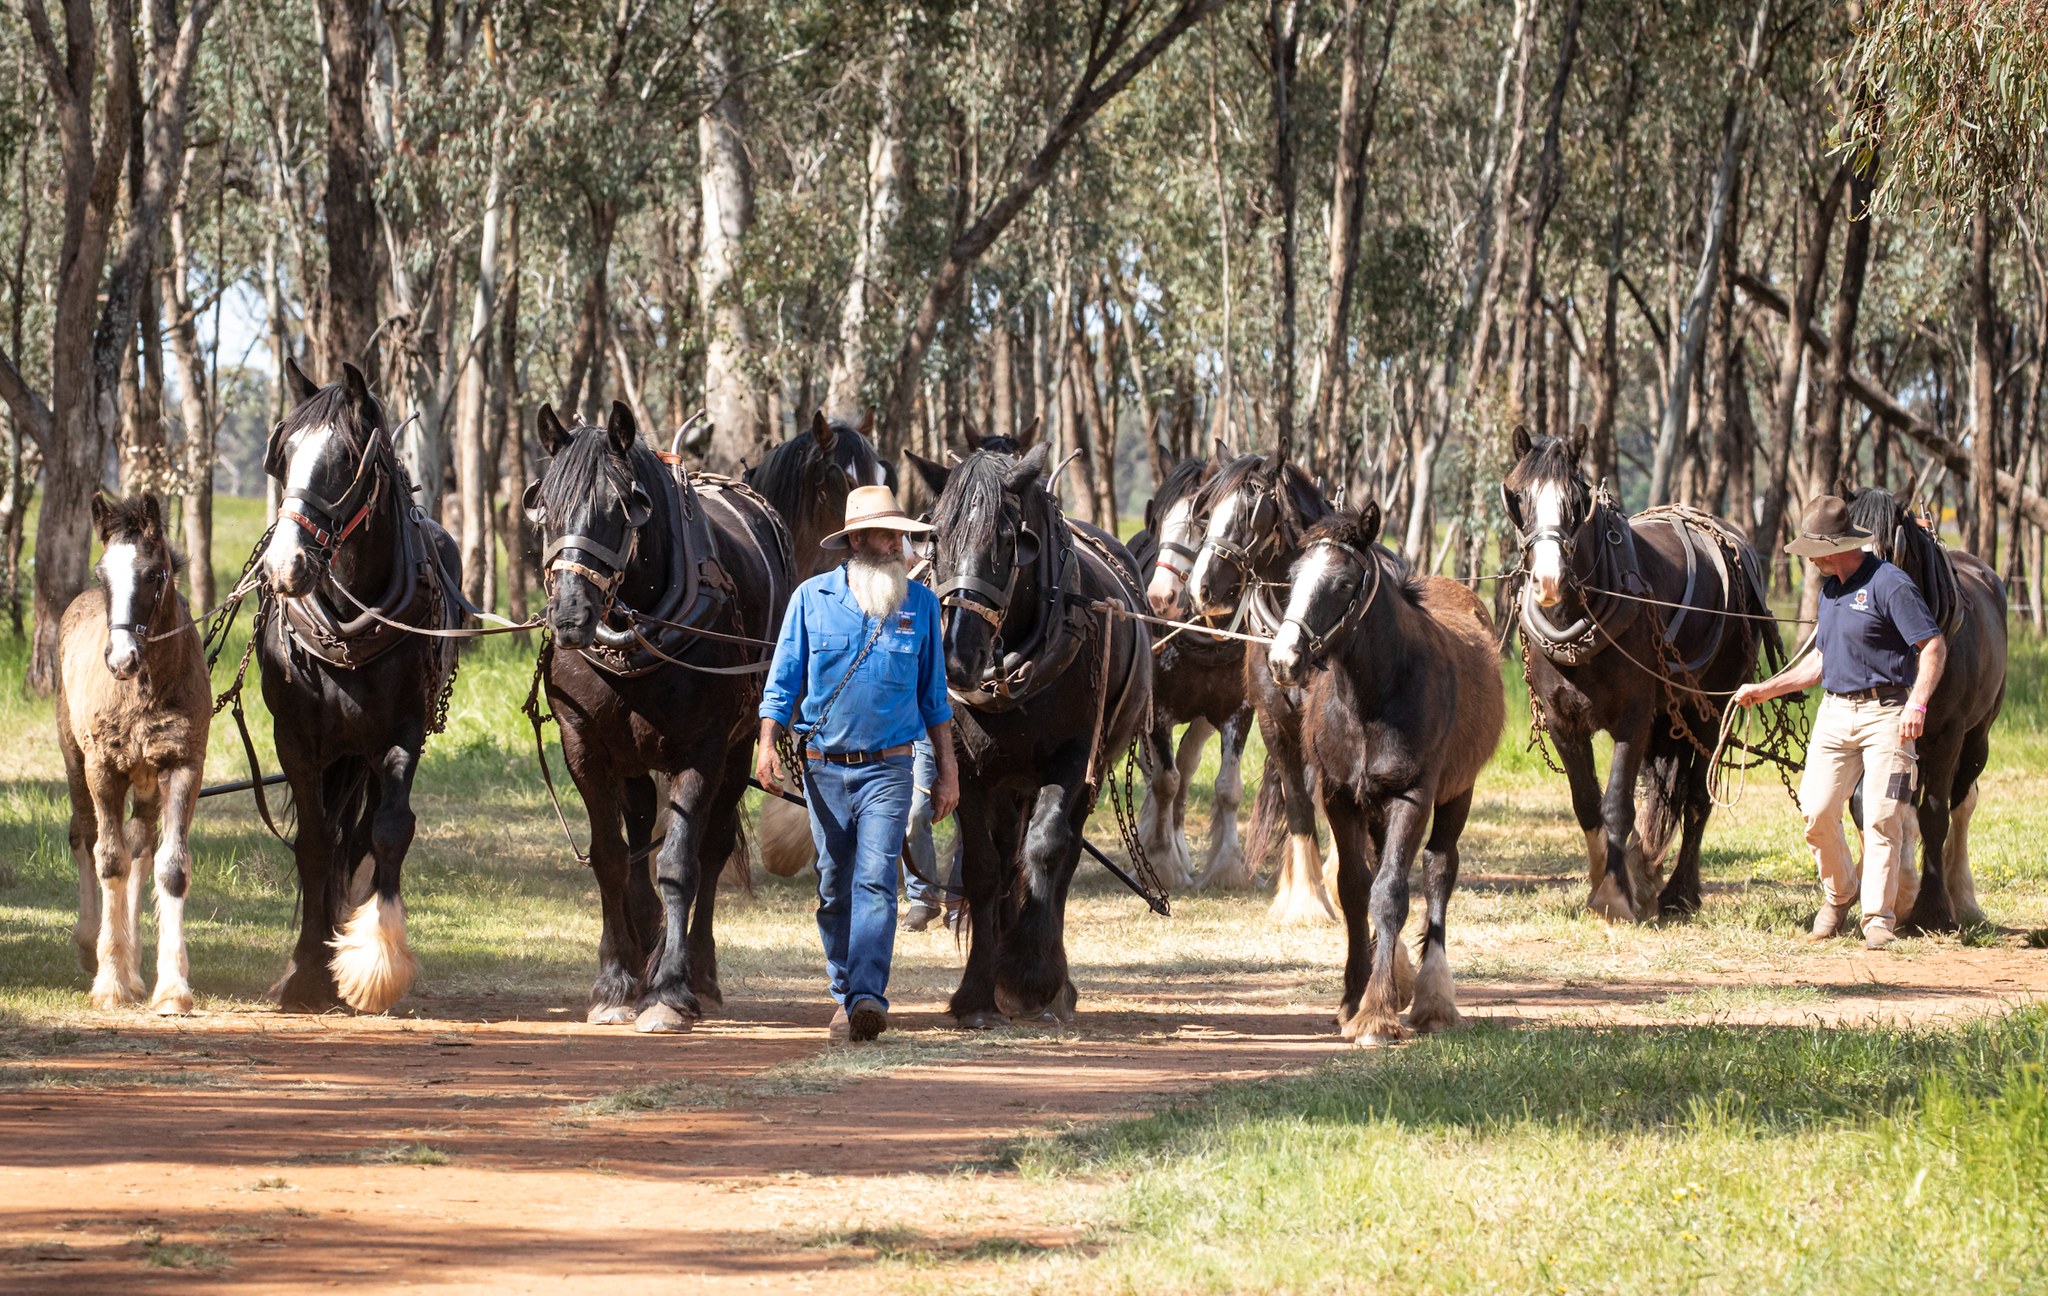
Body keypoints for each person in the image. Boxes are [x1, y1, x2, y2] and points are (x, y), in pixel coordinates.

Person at [758, 484, 959, 1041]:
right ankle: (844, 991)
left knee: (875, 880)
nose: (898, 543)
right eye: (887, 534)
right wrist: (768, 742)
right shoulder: (809, 600)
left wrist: (948, 770)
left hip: (890, 770)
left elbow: (935, 698)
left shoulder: (920, 605)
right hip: (824, 769)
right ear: (857, 541)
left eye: (901, 534)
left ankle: (869, 997)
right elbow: (782, 683)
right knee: (833, 884)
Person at [1735, 496, 1947, 950]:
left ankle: (1877, 919)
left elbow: (1932, 646)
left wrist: (1918, 705)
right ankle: (1840, 893)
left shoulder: (1891, 584)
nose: (1808, 559)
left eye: (1811, 549)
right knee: (1816, 810)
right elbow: (1821, 661)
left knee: (1882, 819)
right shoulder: (1831, 589)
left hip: (1887, 713)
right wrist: (1765, 689)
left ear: (1831, 547)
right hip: (1835, 714)